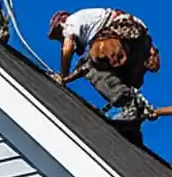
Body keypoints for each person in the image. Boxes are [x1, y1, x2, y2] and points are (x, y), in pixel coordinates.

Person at [48, 9, 160, 143]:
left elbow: (68, 49)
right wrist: (67, 79)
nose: (62, 40)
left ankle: (130, 106)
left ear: (61, 25)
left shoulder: (70, 23)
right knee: (121, 81)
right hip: (139, 44)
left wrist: (62, 76)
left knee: (94, 67)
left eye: (60, 37)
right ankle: (132, 126)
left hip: (123, 37)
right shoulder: (91, 22)